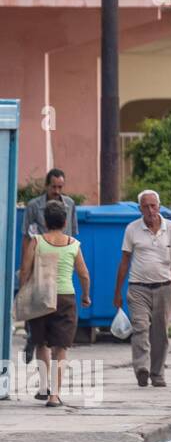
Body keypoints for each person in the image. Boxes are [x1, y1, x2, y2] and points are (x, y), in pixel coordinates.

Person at [113, 190, 171, 388]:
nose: (150, 210)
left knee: (160, 333)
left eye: (153, 206)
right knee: (140, 328)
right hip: (138, 288)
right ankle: (142, 368)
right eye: (146, 206)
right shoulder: (132, 229)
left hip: (163, 288)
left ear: (159, 206)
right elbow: (125, 261)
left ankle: (157, 374)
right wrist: (117, 292)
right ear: (140, 209)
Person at [18, 201, 90, 407]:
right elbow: (84, 274)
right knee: (61, 347)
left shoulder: (36, 241)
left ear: (45, 221)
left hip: (41, 296)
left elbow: (25, 270)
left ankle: (43, 387)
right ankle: (54, 395)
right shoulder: (74, 244)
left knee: (41, 343)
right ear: (65, 221)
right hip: (65, 298)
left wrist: (24, 292)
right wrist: (85, 296)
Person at [22, 168, 79, 365]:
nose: (57, 190)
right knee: (40, 314)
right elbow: (26, 238)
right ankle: (34, 337)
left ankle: (37, 341)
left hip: (61, 267)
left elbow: (73, 235)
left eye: (60, 187)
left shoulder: (69, 205)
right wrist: (26, 269)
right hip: (40, 266)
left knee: (57, 325)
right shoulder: (34, 206)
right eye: (54, 186)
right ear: (47, 185)